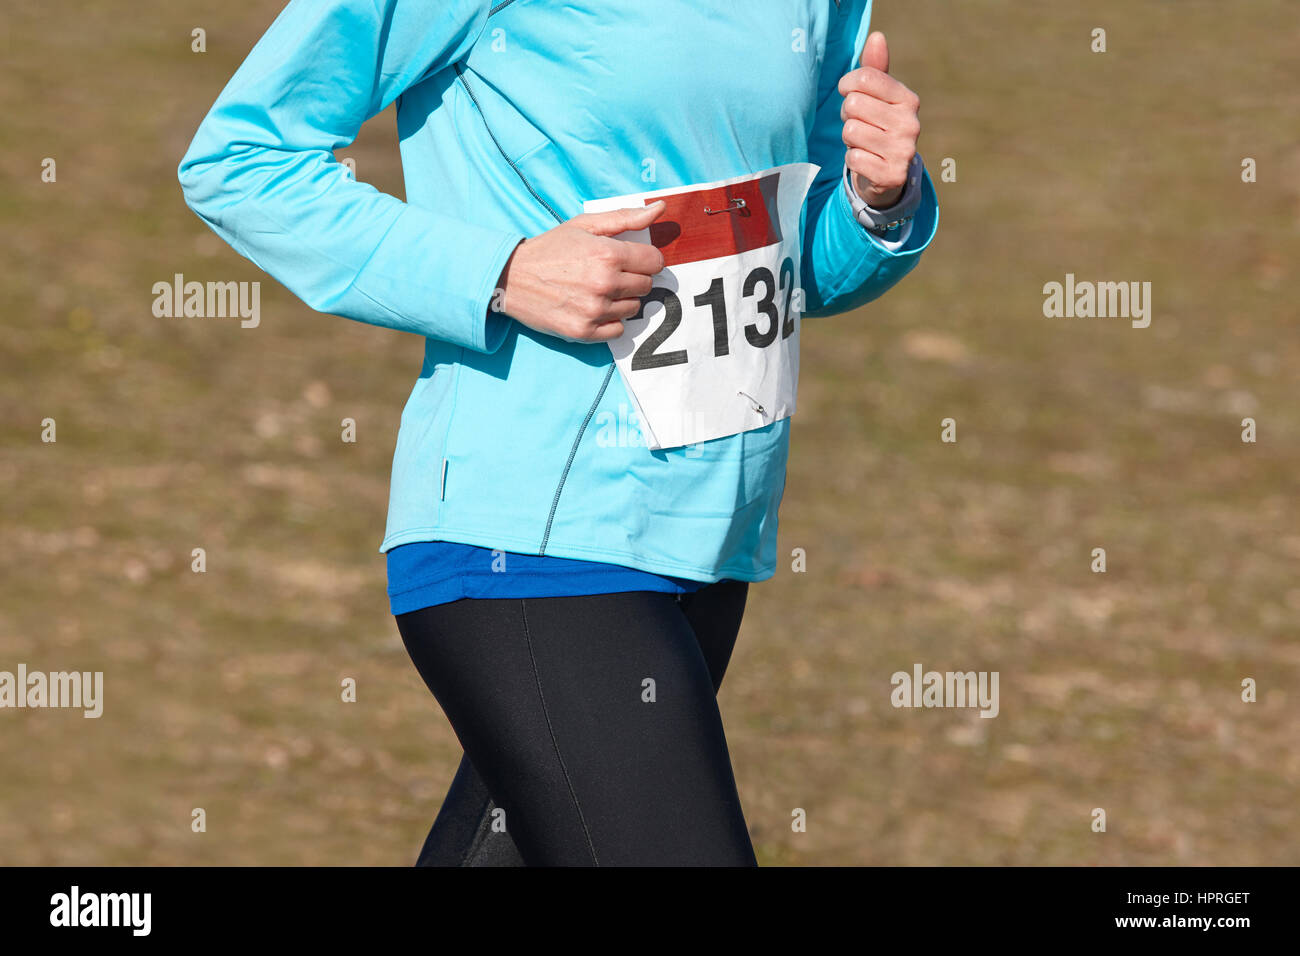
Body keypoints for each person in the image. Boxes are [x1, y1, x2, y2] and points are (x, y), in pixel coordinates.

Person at [178, 0, 938, 866]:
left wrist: (881, 202)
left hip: (712, 542)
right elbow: (239, 161)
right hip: (529, 536)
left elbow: (801, 264)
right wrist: (499, 271)